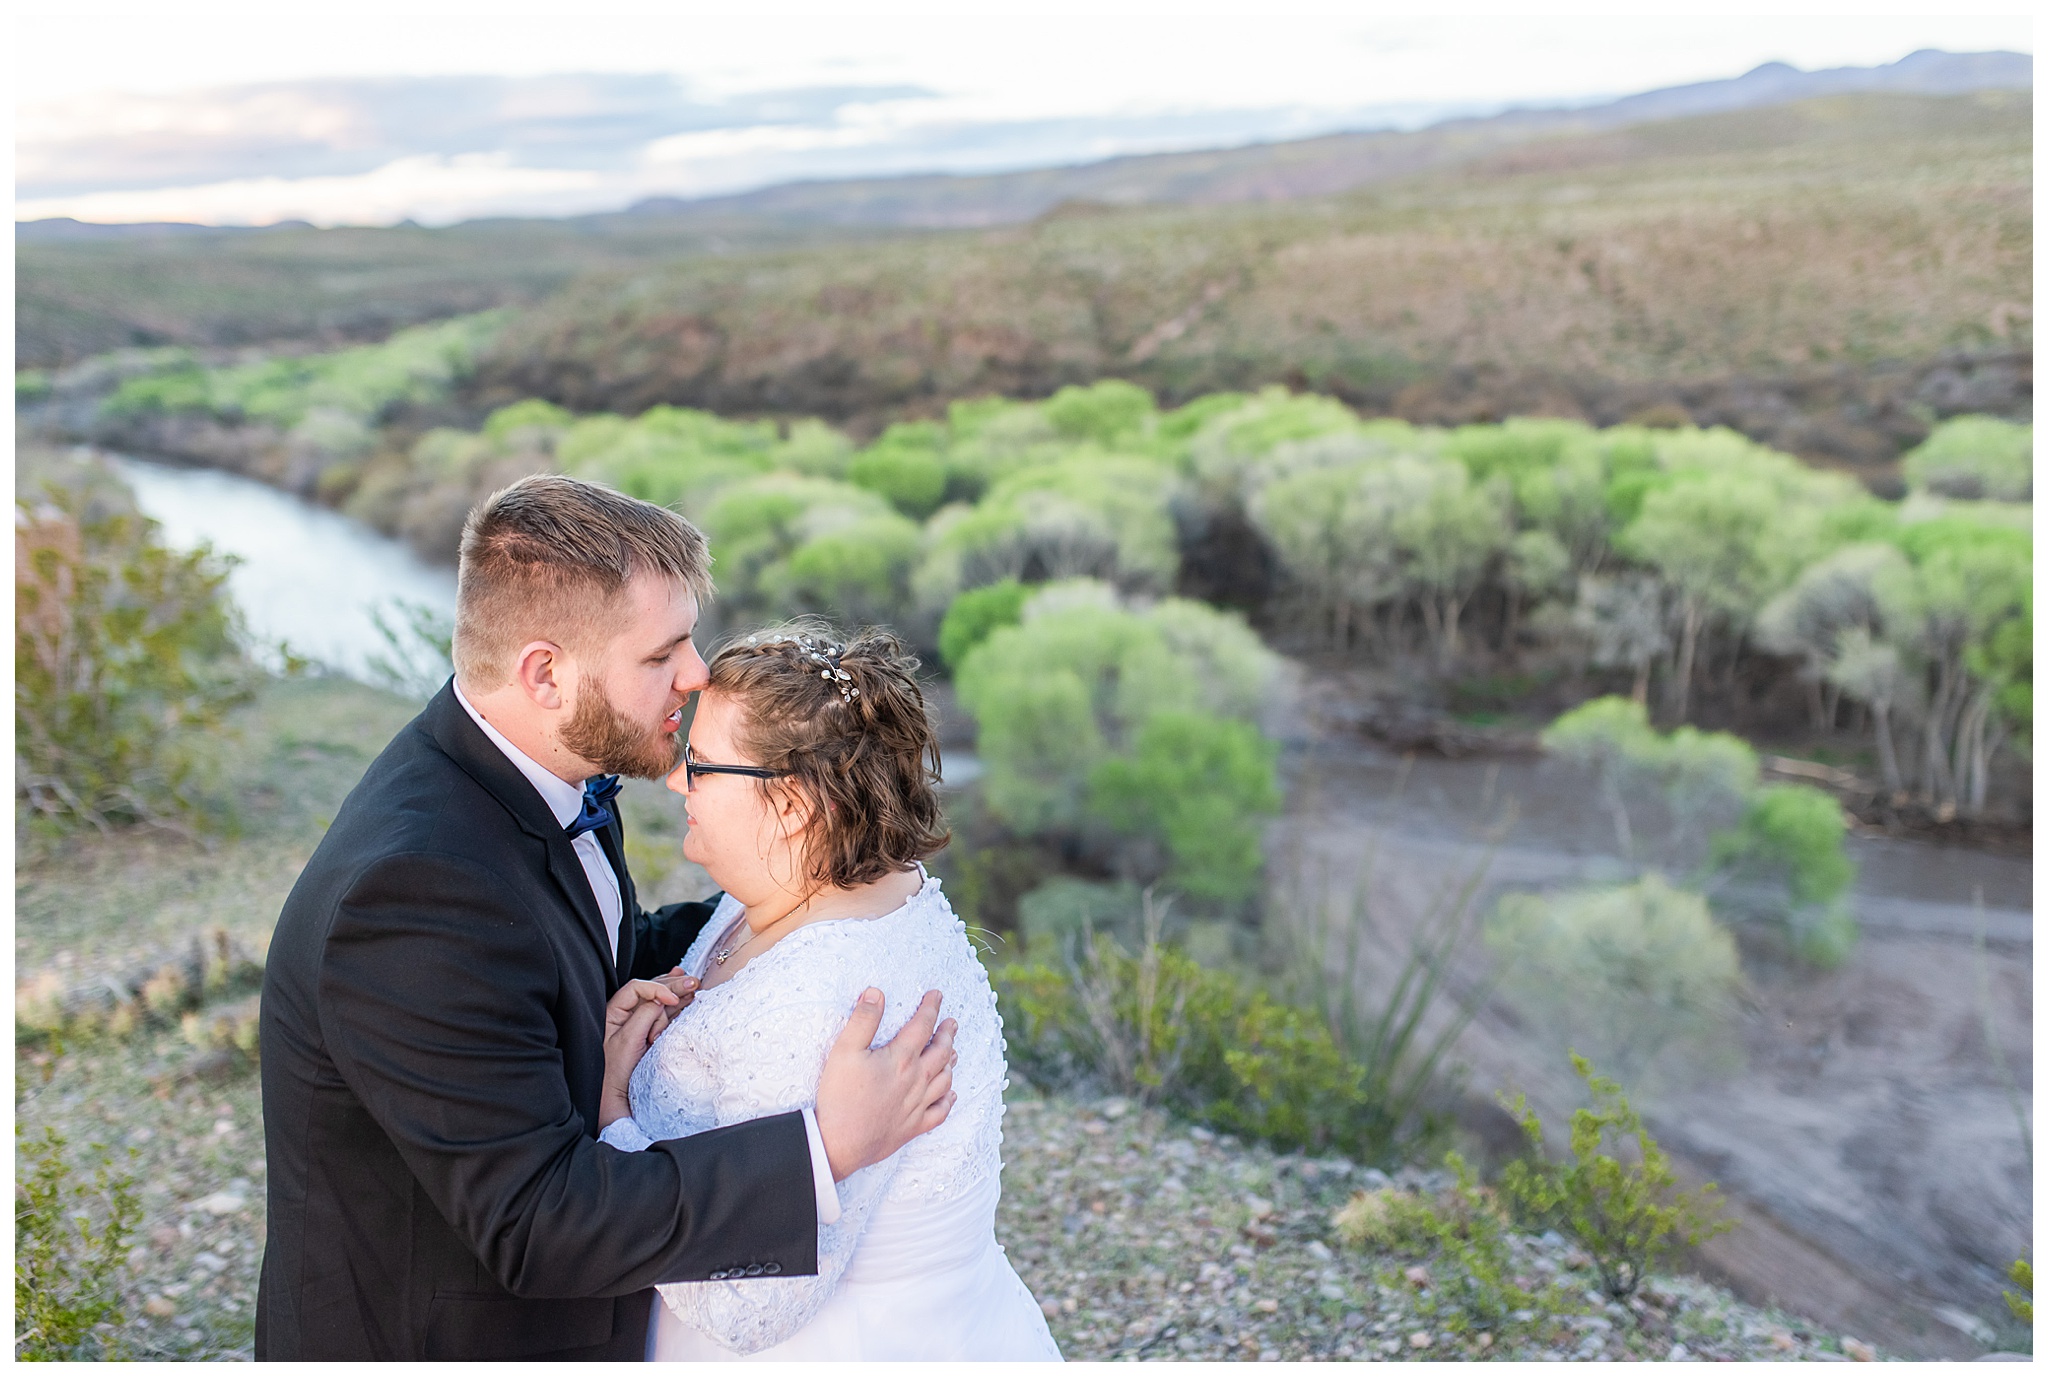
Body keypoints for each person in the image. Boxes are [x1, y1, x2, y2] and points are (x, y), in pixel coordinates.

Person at [257, 476, 958, 1361]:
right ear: (545, 672)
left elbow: (582, 945)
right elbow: (538, 1221)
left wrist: (822, 889)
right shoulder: (412, 893)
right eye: (662, 654)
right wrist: (825, 1146)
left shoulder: (552, 765)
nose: (697, 674)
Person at [598, 623, 1063, 1361]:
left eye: (703, 763)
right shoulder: (834, 885)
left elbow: (749, 1305)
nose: (679, 779)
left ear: (794, 806)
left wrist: (615, 1109)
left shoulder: (826, 1007)